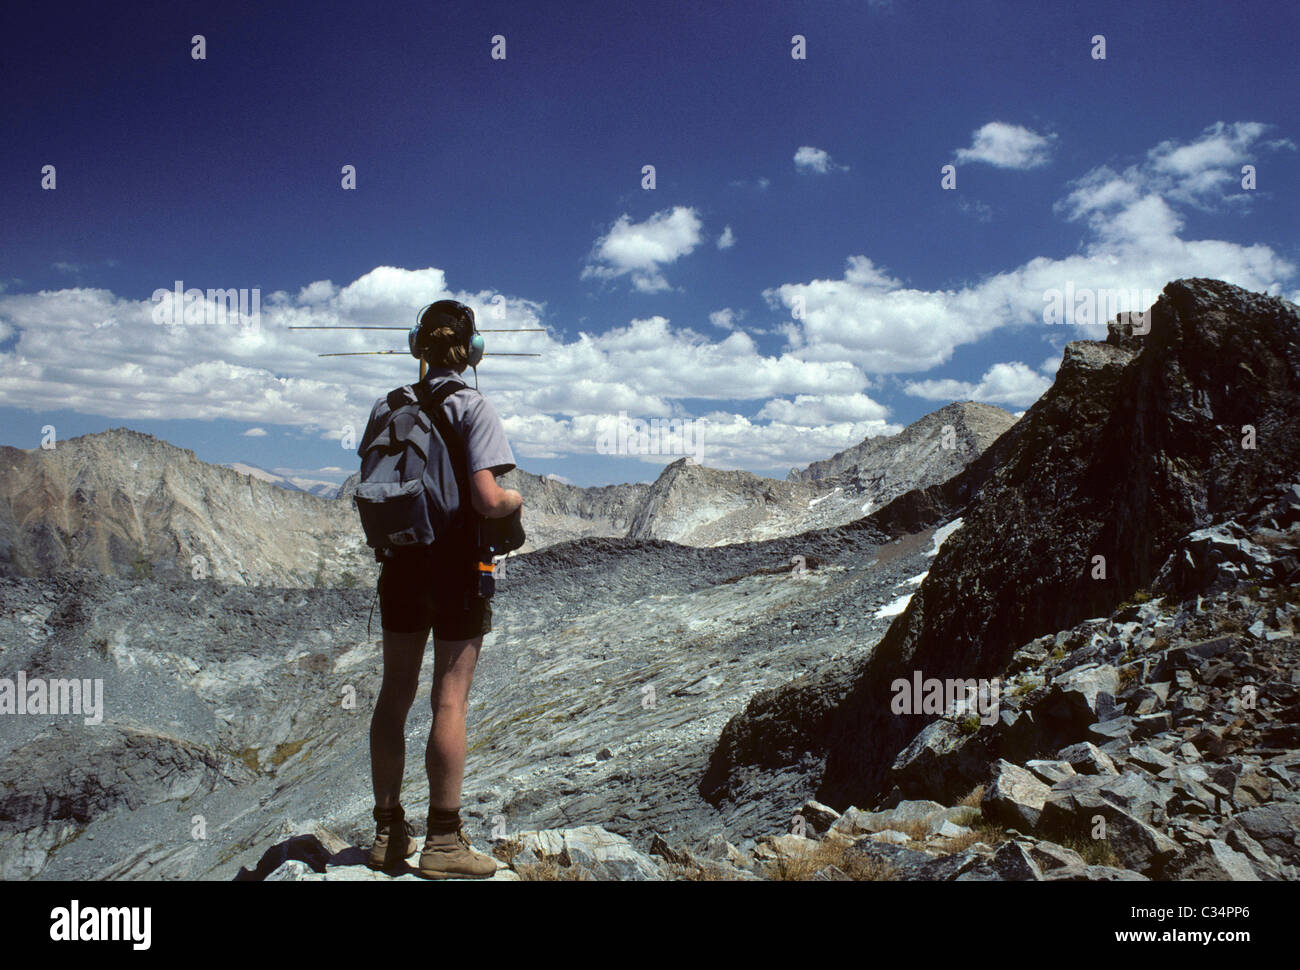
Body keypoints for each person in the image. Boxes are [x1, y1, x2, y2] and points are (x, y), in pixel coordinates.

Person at [360, 300, 523, 878]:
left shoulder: (388, 405)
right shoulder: (472, 406)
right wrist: (515, 501)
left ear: (416, 347)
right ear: (472, 350)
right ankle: (444, 843)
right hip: (456, 569)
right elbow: (485, 498)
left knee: (393, 695)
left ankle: (386, 833)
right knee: (447, 702)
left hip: (399, 565)